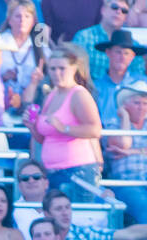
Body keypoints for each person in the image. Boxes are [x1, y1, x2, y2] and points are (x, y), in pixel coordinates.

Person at [27, 43, 103, 195]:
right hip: (51, 170)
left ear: (74, 69)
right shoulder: (51, 95)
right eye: (53, 69)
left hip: (77, 170)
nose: (56, 73)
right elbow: (44, 139)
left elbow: (95, 130)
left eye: (62, 68)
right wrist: (32, 127)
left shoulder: (79, 94)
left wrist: (65, 128)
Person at [93, 29, 147, 127]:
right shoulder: (95, 87)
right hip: (104, 139)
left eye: (126, 53)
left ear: (132, 56)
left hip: (142, 139)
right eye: (118, 52)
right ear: (108, 53)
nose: (122, 57)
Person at [0, 0, 44, 121]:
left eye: (27, 16)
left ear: (33, 21)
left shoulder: (41, 48)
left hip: (30, 108)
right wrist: (2, 78)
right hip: (1, 107)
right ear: (9, 20)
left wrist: (36, 80)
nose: (22, 20)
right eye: (18, 16)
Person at [76, 0, 142, 84]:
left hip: (125, 93)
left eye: (124, 11)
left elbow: (139, 77)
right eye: (114, 7)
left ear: (126, 17)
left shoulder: (133, 45)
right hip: (87, 92)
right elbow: (74, 71)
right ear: (103, 10)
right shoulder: (83, 38)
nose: (118, 12)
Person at [12, 159, 50, 237]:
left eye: (36, 177)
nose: (31, 181)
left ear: (46, 183)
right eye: (25, 178)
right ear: (19, 186)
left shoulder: (59, 208)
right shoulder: (12, 212)